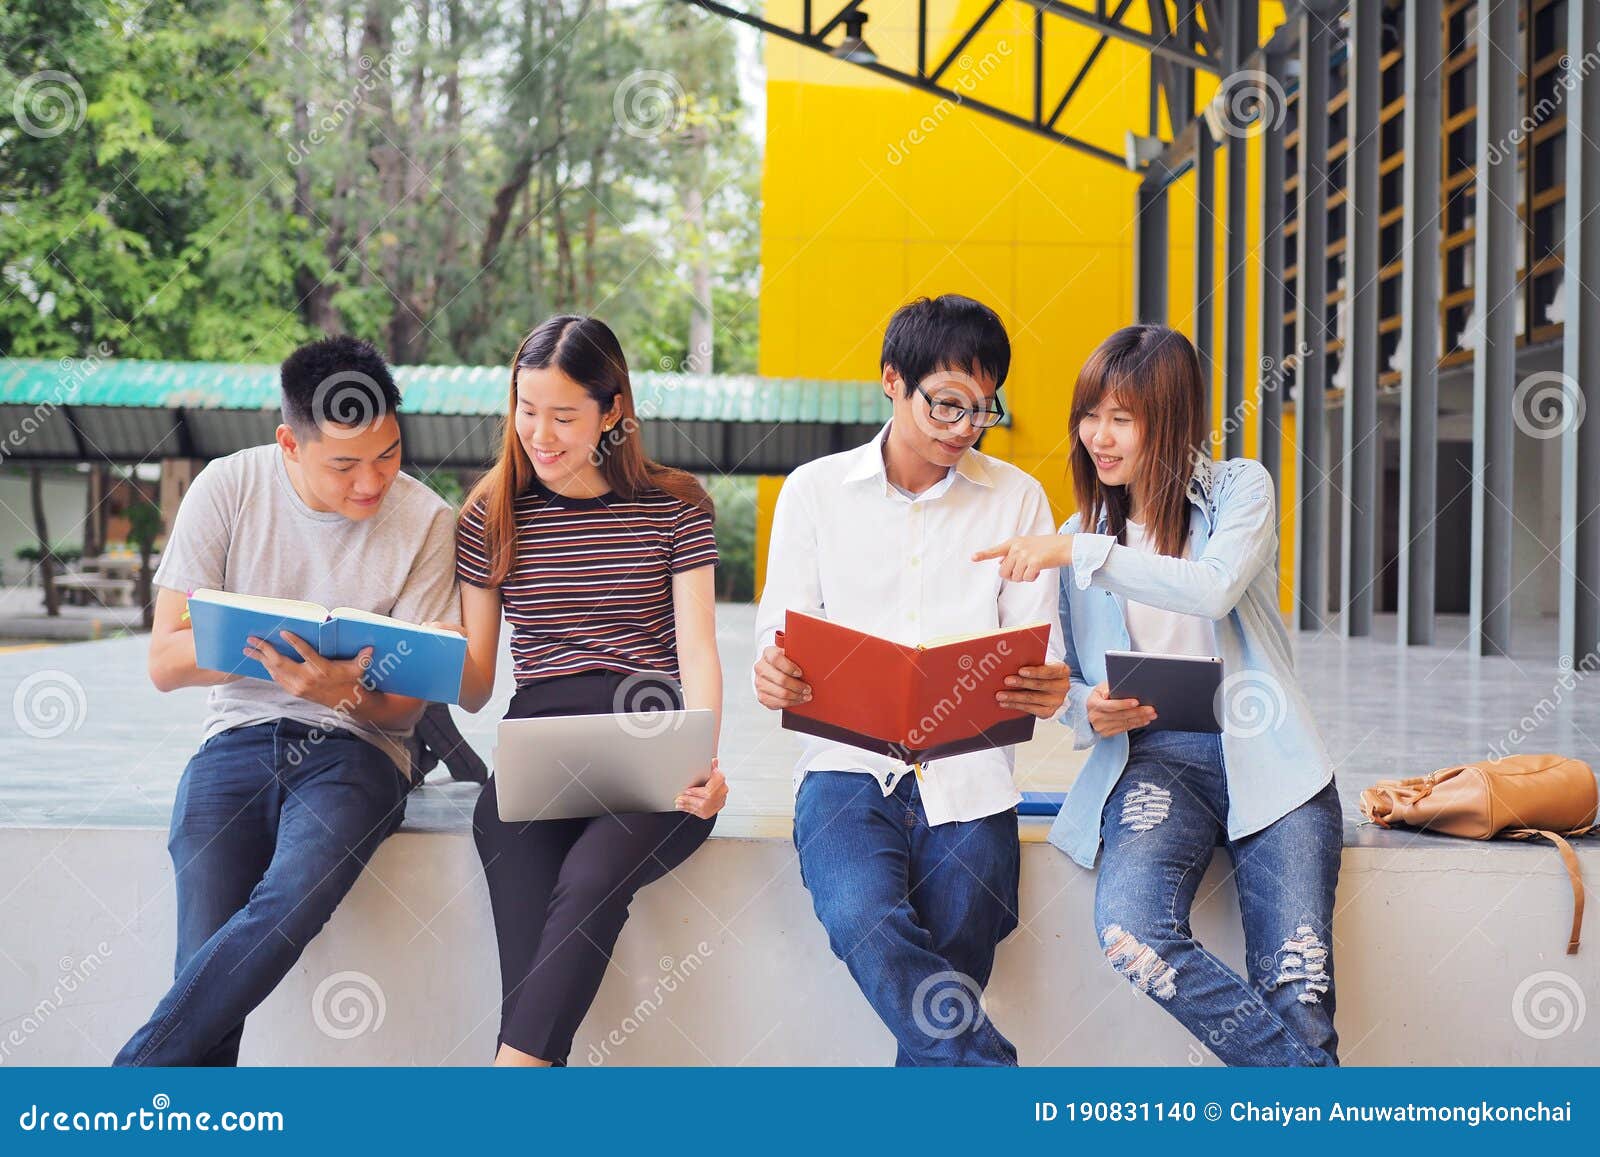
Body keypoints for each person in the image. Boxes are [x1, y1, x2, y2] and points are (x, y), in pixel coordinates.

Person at [974, 323, 1342, 1066]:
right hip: (1155, 761)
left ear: (1168, 418)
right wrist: (1087, 707)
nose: (1097, 437)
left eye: (1121, 417)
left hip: (1271, 757)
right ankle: (1329, 1104)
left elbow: (1210, 589)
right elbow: (1073, 680)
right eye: (1089, 415)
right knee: (1133, 929)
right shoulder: (1081, 535)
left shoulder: (1240, 489)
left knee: (1299, 986)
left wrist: (1080, 551)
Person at [116, 336, 459, 1066]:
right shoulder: (227, 489)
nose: (372, 482)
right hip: (233, 743)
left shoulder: (429, 521)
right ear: (290, 444)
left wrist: (348, 694)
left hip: (358, 754)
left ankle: (130, 1079)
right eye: (345, 464)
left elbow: (406, 709)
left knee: (287, 900)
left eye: (389, 453)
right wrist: (279, 660)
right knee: (205, 940)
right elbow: (164, 659)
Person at [753, 294, 1072, 1066]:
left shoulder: (1018, 498)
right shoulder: (815, 491)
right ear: (892, 381)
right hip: (844, 770)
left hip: (971, 780)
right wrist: (775, 671)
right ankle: (991, 1076)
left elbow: (1042, 652)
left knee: (958, 952)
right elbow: (777, 630)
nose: (963, 428)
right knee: (860, 911)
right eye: (946, 405)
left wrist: (1048, 684)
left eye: (981, 411)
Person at [452, 315, 728, 1067]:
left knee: (589, 877)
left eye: (564, 416)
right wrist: (391, 663)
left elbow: (699, 649)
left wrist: (703, 758)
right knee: (527, 917)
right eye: (527, 408)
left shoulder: (677, 506)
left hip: (652, 750)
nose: (540, 433)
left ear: (611, 412)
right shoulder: (489, 515)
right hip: (538, 752)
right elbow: (476, 684)